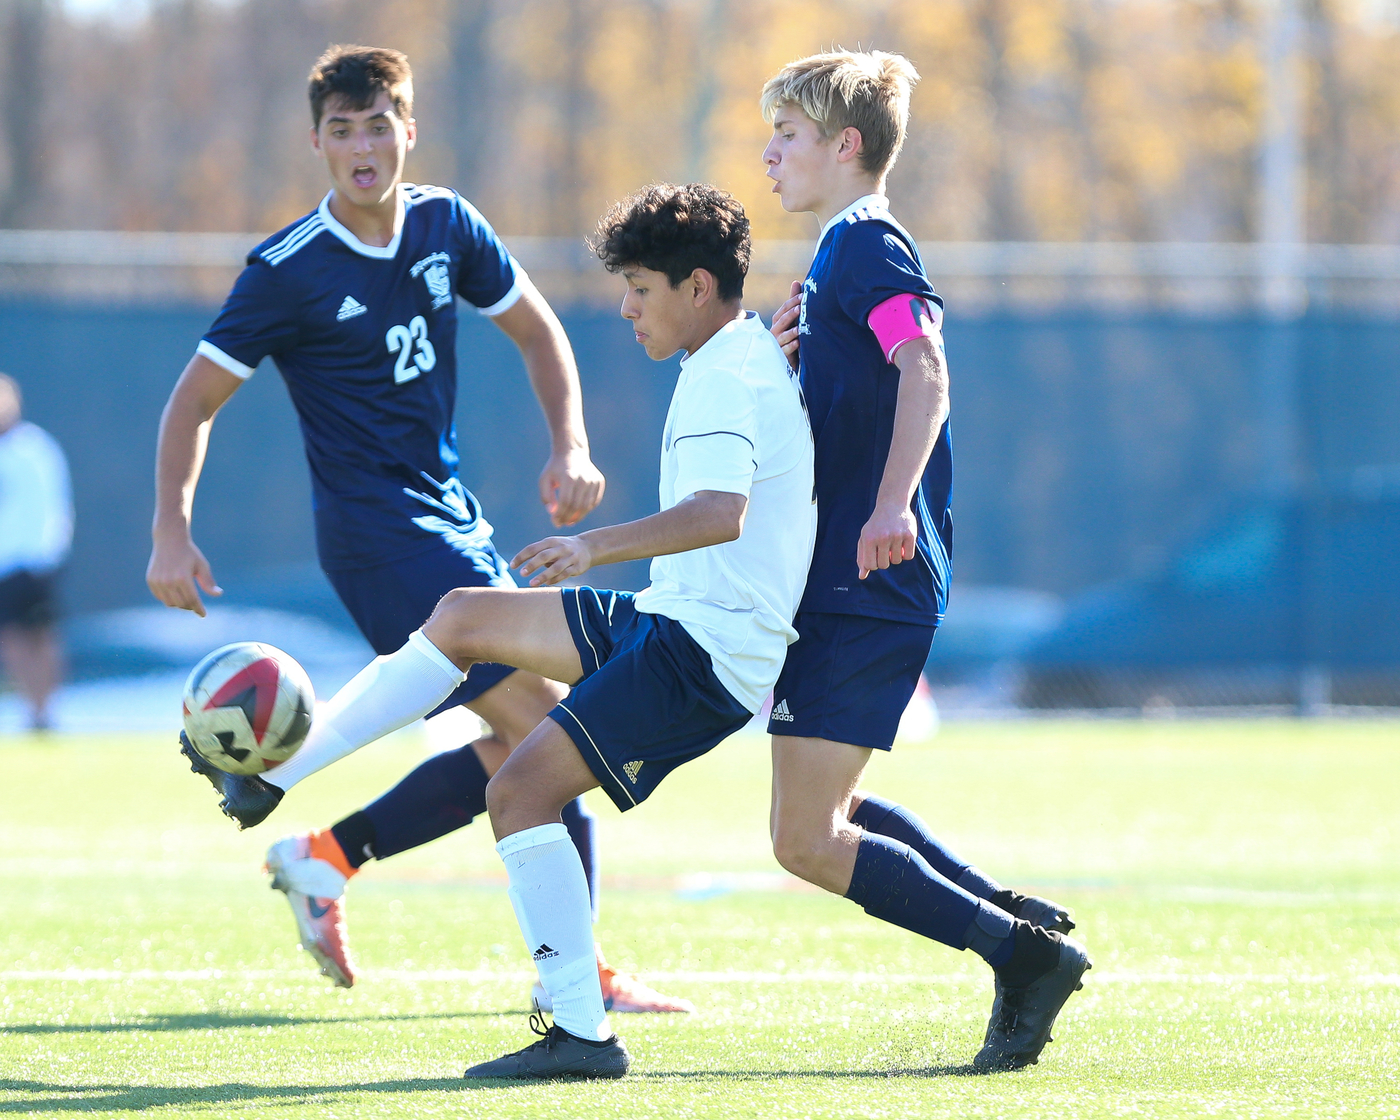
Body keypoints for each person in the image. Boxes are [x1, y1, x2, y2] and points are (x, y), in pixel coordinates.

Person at [197, 181, 818, 1079]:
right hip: (670, 623)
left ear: (694, 287)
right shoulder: (732, 354)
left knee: (520, 790)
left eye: (640, 288)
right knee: (461, 619)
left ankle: (581, 1033)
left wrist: (591, 546)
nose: (625, 305)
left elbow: (720, 512)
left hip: (700, 656)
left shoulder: (727, 368)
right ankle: (276, 780)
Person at [150, 44, 685, 1013]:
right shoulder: (287, 270)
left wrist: (569, 445)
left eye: (378, 123)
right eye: (341, 129)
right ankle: (580, 978)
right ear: (316, 141)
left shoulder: (447, 225)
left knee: (516, 746)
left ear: (409, 127)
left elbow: (537, 330)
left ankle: (327, 855)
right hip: (376, 539)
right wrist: (169, 531)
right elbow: (192, 403)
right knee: (550, 733)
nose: (363, 146)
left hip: (453, 518)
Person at [759, 50, 1089, 1072]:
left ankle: (1019, 954)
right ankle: (1009, 920)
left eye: (789, 136)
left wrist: (892, 501)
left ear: (844, 146)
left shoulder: (865, 246)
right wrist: (800, 361)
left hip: (874, 572)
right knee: (825, 817)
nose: (769, 154)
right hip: (844, 574)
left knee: (804, 839)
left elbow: (924, 364)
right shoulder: (832, 263)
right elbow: (865, 383)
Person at [0, 373, 73, 733]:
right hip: (5, 563)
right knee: (12, 637)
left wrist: (51, 552)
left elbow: (56, 504)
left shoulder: (35, 447)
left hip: (35, 561)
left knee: (41, 635)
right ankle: (32, 708)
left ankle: (47, 710)